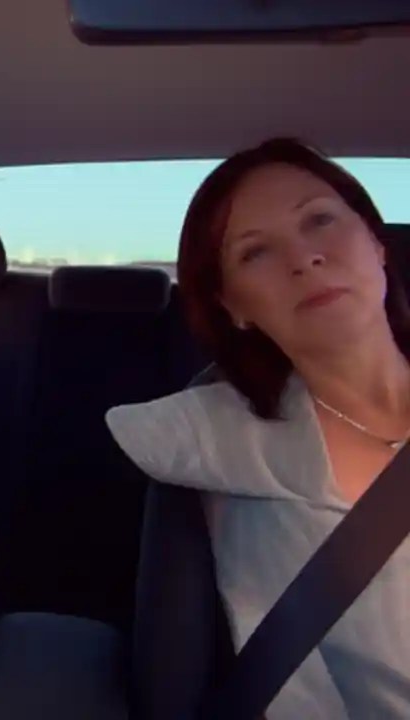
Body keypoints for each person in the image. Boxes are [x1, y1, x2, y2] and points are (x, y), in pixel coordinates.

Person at [105, 137, 410, 718]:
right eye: (254, 253)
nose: (303, 258)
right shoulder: (212, 434)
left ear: (376, 241)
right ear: (234, 307)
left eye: (319, 220)